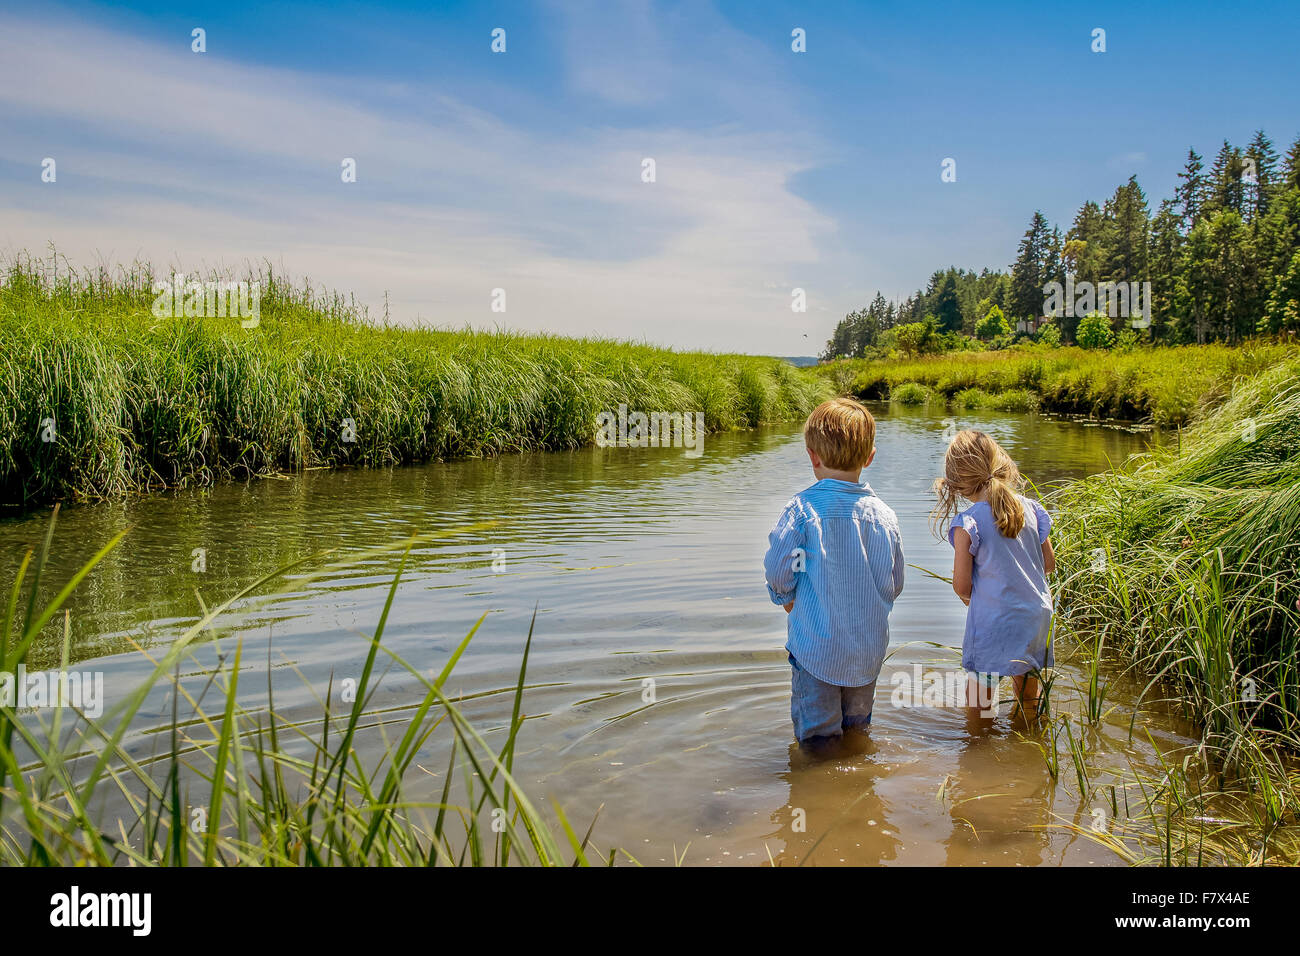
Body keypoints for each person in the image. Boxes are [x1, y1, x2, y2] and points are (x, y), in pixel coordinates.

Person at [764, 398, 904, 746]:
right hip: (866, 652)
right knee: (858, 734)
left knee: (817, 742)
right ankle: (856, 786)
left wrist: (786, 599)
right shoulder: (884, 516)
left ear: (813, 456)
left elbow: (779, 568)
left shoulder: (802, 510)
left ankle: (819, 792)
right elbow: (895, 581)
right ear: (870, 457)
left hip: (817, 651)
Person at [932, 430, 1054, 721]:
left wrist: (977, 598)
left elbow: (962, 586)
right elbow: (1048, 565)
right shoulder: (1033, 509)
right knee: (1028, 696)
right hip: (1035, 617)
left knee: (979, 706)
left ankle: (978, 754)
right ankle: (1026, 746)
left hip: (994, 622)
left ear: (958, 483)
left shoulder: (969, 522)